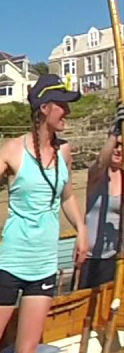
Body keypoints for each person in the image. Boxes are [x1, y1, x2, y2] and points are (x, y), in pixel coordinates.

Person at [0, 75, 91, 353]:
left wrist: (81, 230)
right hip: (11, 263)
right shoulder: (13, 150)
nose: (68, 113)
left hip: (44, 265)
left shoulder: (65, 150)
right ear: (45, 108)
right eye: (63, 105)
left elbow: (67, 194)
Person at [79, 102, 124, 290]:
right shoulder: (98, 175)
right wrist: (115, 131)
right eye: (115, 145)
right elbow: (100, 162)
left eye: (122, 146)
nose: (118, 150)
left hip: (115, 256)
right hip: (90, 256)